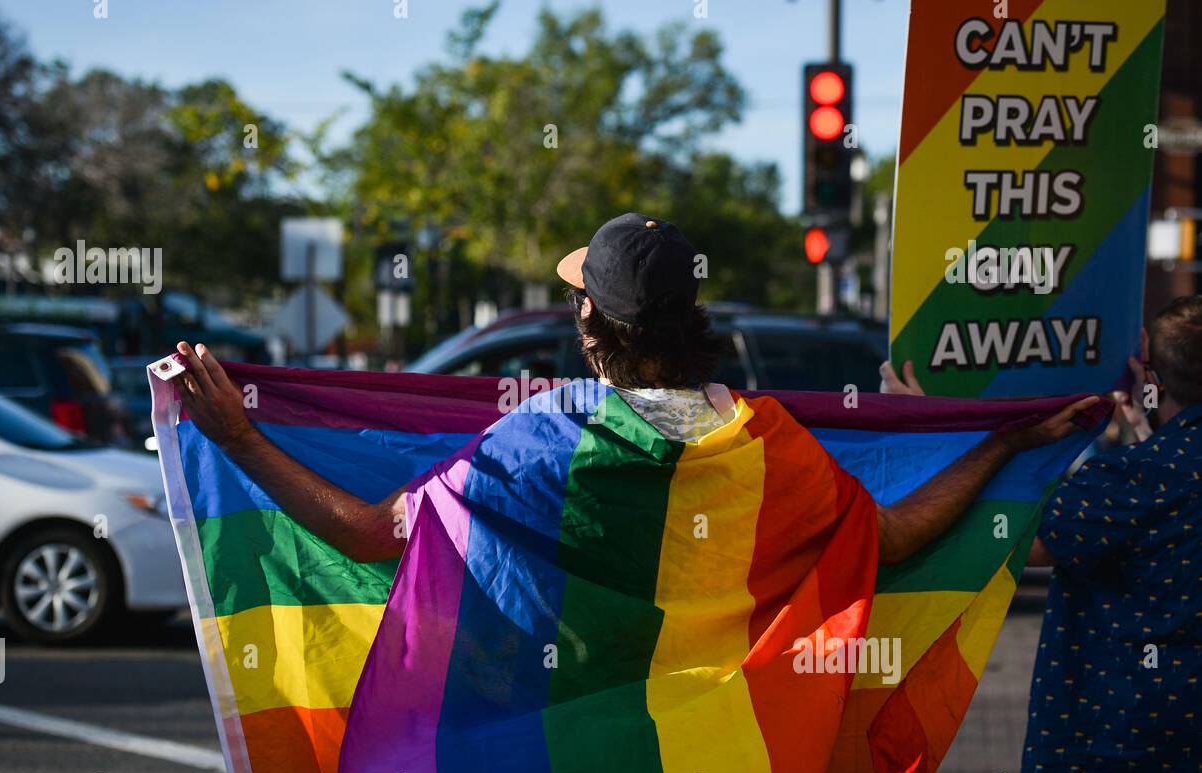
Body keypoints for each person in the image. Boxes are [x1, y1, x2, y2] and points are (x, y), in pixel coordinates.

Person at [174, 212, 1096, 571]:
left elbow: (373, 540)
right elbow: (890, 541)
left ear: (589, 327)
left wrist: (240, 439)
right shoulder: (766, 443)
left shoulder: (542, 442)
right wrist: (996, 444)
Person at [882, 295, 1202, 773]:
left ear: (1154, 375)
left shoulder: (1135, 478)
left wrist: (936, 433)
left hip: (1154, 757)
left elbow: (1007, 537)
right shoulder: (1153, 470)